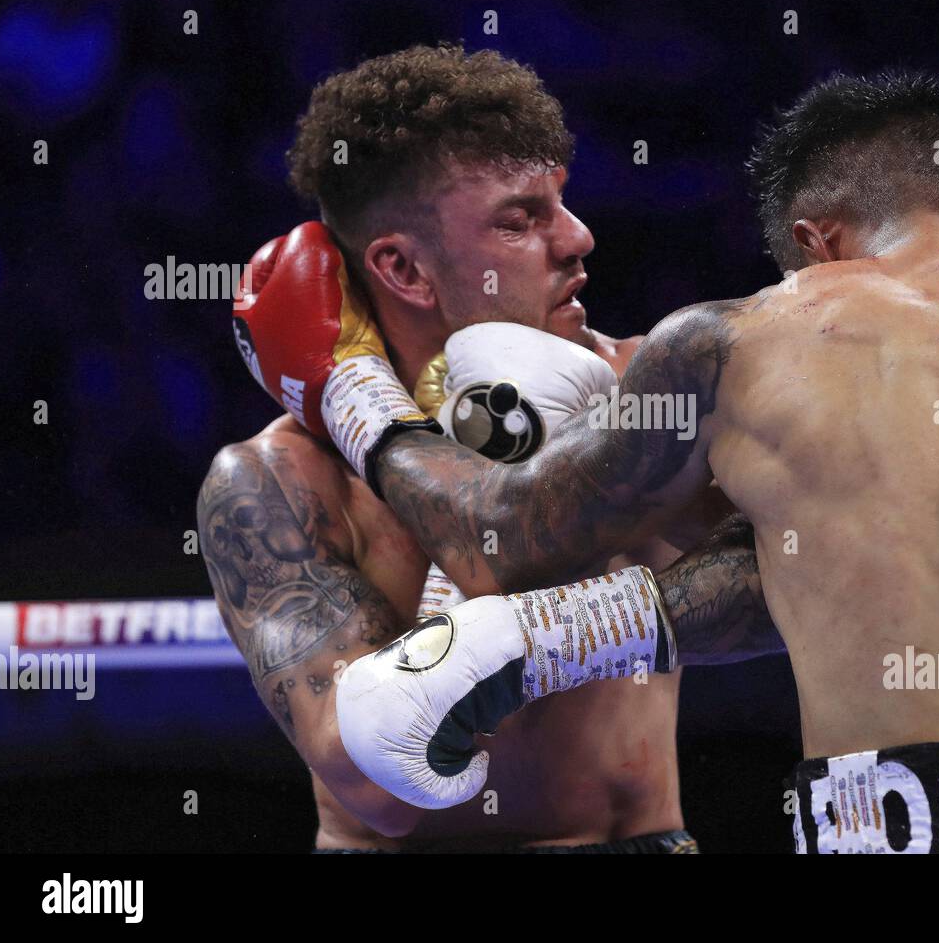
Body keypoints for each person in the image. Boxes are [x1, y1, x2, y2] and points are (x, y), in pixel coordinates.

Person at [290, 69, 939, 853]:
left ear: (815, 247)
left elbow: (491, 538)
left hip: (874, 826)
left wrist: (346, 377)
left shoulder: (743, 342)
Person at [200, 44, 749, 853]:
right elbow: (376, 789)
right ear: (404, 269)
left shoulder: (642, 395)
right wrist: (369, 409)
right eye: (520, 218)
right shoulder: (278, 481)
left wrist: (573, 628)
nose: (578, 238)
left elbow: (816, 564)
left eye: (562, 203)